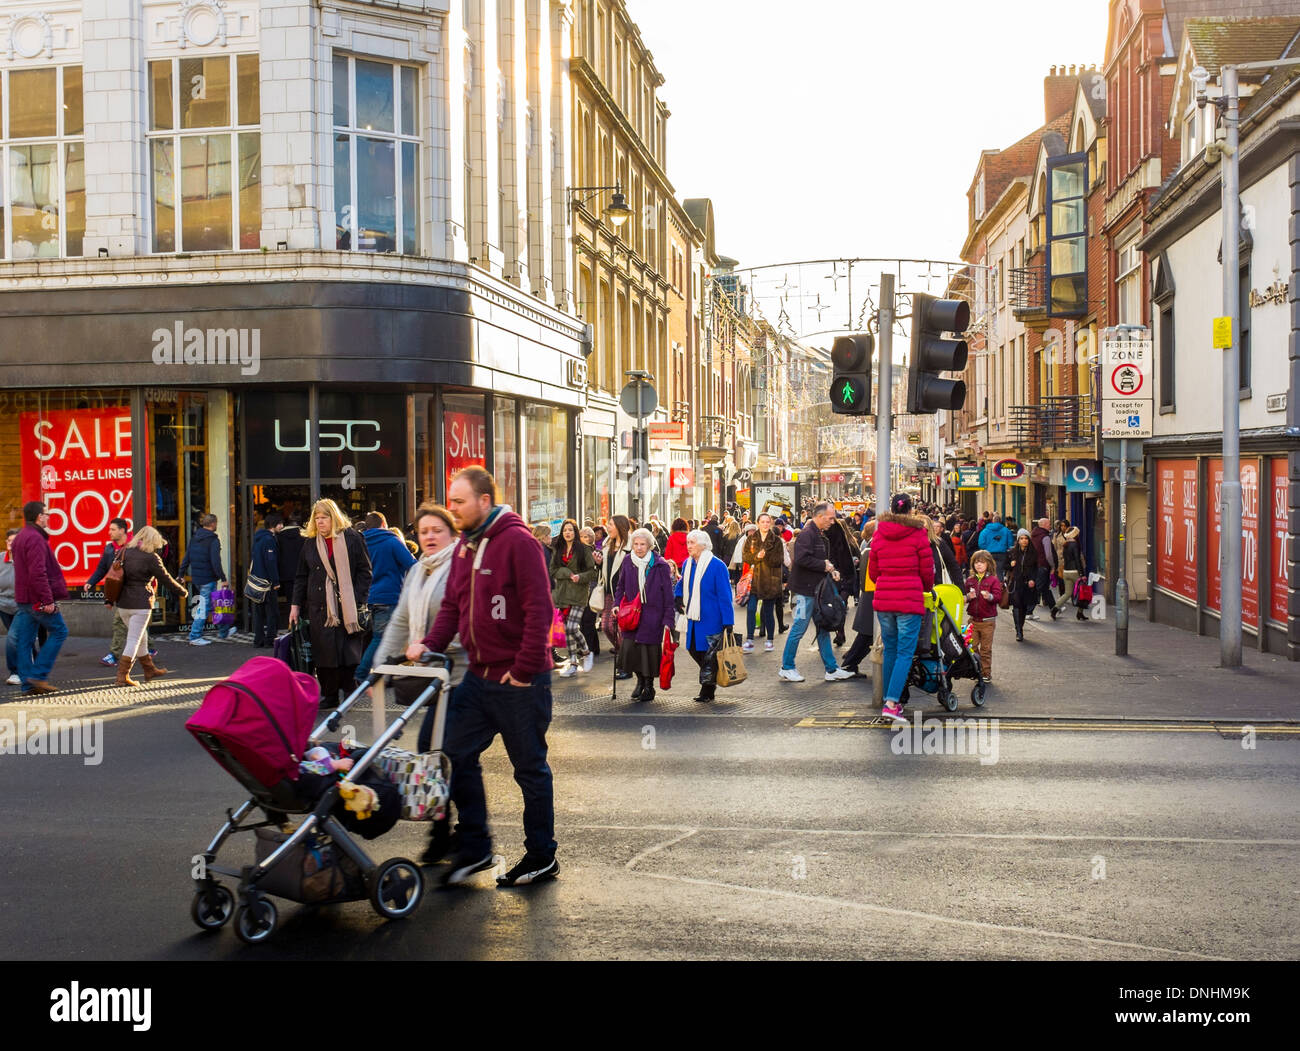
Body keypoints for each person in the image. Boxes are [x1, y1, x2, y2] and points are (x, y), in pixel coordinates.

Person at [406, 466, 559, 888]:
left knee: (529, 769)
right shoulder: (465, 548)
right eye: (451, 501)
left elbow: (538, 610)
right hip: (477, 677)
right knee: (452, 753)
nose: (452, 509)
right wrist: (429, 645)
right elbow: (454, 607)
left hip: (518, 680)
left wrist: (524, 669)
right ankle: (476, 847)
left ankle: (542, 855)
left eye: (459, 502)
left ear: (484, 501)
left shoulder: (517, 542)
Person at [376, 502, 464, 865]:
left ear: (452, 534)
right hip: (431, 674)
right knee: (436, 751)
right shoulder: (417, 572)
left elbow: (463, 616)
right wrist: (380, 666)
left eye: (436, 530)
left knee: (442, 749)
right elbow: (399, 620)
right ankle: (447, 830)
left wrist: (432, 646)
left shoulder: (460, 566)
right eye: (423, 531)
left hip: (462, 672)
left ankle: (450, 833)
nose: (429, 536)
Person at [290, 498, 373, 705]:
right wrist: (295, 605)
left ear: (333, 517)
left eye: (324, 517)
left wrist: (357, 598)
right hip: (320, 608)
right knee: (324, 653)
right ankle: (330, 694)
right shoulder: (310, 543)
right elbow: (301, 576)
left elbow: (365, 571)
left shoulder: (352, 538)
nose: (320, 522)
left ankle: (350, 690)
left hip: (348, 607)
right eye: (316, 518)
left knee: (348, 652)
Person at [868, 493, 934, 724]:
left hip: (885, 600)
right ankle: (891, 703)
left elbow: (873, 573)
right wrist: (924, 587)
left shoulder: (879, 534)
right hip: (909, 599)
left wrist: (886, 582)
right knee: (905, 652)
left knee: (891, 651)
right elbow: (928, 571)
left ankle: (889, 699)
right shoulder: (918, 534)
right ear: (910, 510)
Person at [779, 502, 854, 683]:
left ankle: (831, 669)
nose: (832, 521)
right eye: (830, 518)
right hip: (805, 592)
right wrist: (825, 566)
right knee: (799, 627)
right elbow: (803, 559)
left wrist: (830, 569)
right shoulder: (808, 534)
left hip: (814, 591)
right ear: (820, 517)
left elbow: (817, 559)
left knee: (822, 628)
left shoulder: (816, 533)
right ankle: (787, 667)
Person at [112, 526, 188, 687]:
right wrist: (182, 591)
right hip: (140, 604)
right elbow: (166, 579)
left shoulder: (124, 551)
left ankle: (149, 669)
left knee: (141, 637)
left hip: (123, 604)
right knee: (134, 639)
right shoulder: (151, 558)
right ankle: (122, 676)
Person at [10, 501, 70, 695]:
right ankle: (39, 675)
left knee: (25, 641)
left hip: (25, 598)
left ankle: (28, 684)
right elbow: (37, 573)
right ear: (39, 517)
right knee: (60, 631)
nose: (48, 517)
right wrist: (47, 600)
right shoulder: (35, 538)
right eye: (46, 514)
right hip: (36, 599)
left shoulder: (21, 537)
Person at [613, 527, 675, 703]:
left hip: (653, 615)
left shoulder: (660, 565)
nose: (639, 548)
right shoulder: (627, 561)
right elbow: (620, 586)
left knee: (648, 652)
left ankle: (649, 686)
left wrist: (668, 619)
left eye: (642, 544)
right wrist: (616, 605)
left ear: (649, 546)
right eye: (636, 544)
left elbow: (668, 595)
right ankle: (639, 681)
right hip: (632, 614)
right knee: (631, 650)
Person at [674, 530, 735, 703]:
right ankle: (711, 679)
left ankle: (707, 688)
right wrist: (678, 597)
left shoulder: (717, 565)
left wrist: (728, 621)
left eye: (692, 542)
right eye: (688, 543)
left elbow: (725, 595)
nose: (689, 546)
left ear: (703, 544)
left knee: (708, 655)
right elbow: (682, 582)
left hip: (712, 618)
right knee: (694, 650)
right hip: (693, 618)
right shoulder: (687, 563)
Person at [356, 511, 417, 682]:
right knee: (381, 638)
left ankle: (386, 675)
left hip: (367, 597)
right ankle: (361, 674)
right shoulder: (391, 540)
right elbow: (412, 564)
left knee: (377, 638)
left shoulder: (360, 542)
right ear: (384, 524)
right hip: (388, 596)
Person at [83, 517, 134, 666]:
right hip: (120, 592)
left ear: (122, 530)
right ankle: (148, 649)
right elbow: (102, 568)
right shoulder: (109, 548)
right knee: (134, 624)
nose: (109, 532)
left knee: (120, 622)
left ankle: (114, 655)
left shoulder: (134, 546)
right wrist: (90, 582)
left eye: (113, 529)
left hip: (134, 591)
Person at [550, 519, 596, 678]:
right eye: (565, 530)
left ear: (575, 532)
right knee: (568, 630)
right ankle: (573, 663)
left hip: (578, 594)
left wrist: (579, 576)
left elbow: (592, 572)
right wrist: (567, 573)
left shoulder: (583, 549)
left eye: (570, 530)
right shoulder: (558, 549)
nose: (567, 533)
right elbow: (553, 571)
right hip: (562, 594)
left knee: (571, 627)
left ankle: (586, 652)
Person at [180, 513, 230, 646]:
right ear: (213, 524)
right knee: (204, 606)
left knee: (214, 605)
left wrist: (181, 574)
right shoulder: (213, 540)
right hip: (208, 578)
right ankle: (195, 635)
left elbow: (187, 558)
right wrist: (223, 578)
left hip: (197, 578)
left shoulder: (195, 538)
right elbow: (216, 562)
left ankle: (224, 631)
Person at [839, 519, 878, 677]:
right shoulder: (870, 547)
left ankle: (850, 661)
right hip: (873, 596)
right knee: (867, 635)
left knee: (866, 635)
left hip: (870, 595)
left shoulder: (867, 546)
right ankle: (849, 663)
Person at [741, 513, 783, 653]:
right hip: (754, 580)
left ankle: (770, 640)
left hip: (770, 579)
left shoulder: (776, 540)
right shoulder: (751, 539)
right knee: (751, 609)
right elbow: (746, 556)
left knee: (768, 611)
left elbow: (779, 560)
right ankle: (750, 639)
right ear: (758, 523)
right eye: (763, 522)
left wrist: (766, 557)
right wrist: (757, 557)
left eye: (767, 522)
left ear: (770, 523)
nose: (765, 524)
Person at [599, 515, 632, 680]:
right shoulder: (607, 545)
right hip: (608, 592)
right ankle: (623, 653)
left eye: (610, 524)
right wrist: (598, 563)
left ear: (619, 526)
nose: (607, 527)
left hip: (625, 595)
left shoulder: (630, 547)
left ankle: (625, 663)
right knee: (606, 626)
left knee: (622, 629)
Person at [964, 550, 1003, 684]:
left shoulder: (993, 580)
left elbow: (998, 597)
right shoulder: (970, 580)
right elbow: (964, 596)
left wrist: (990, 596)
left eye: (982, 562)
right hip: (973, 620)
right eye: (976, 562)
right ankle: (977, 669)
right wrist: (967, 597)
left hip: (988, 622)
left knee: (986, 649)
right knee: (971, 647)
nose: (979, 565)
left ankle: (986, 673)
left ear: (988, 564)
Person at [250, 512, 284, 648]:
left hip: (257, 581)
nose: (282, 526)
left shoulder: (258, 538)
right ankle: (270, 639)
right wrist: (275, 581)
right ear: (274, 525)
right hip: (267, 582)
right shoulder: (269, 540)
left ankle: (258, 640)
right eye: (280, 523)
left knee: (259, 612)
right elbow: (271, 562)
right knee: (272, 612)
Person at [825, 512, 859, 646]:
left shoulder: (830, 541)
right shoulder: (851, 542)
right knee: (840, 606)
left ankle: (839, 631)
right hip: (846, 578)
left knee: (835, 606)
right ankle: (840, 631)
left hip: (837, 577)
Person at [1006, 529, 1039, 642]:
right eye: (1021, 538)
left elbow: (1036, 569)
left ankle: (1021, 626)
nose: (1024, 541)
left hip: (1027, 584)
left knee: (1024, 607)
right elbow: (1005, 566)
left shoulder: (1033, 553)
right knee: (1016, 606)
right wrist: (1010, 565)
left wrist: (1033, 579)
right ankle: (1018, 631)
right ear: (1018, 540)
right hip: (1016, 583)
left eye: (1026, 538)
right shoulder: (1012, 552)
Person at [1052, 520, 1087, 620]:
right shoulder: (1075, 545)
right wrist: (1081, 573)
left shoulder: (1065, 545)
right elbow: (1077, 560)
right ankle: (1080, 613)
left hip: (1066, 571)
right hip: (1074, 572)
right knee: (1082, 592)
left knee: (1067, 593)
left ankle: (1054, 609)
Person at [578, 525, 602, 656]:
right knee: (587, 621)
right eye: (581, 536)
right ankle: (592, 647)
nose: (582, 538)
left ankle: (590, 649)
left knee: (587, 620)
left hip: (590, 589)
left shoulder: (591, 552)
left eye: (585, 536)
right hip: (584, 589)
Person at [1031, 517, 1057, 619]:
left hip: (1036, 565)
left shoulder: (1034, 535)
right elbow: (1048, 555)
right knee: (1039, 588)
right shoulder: (1045, 537)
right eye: (1049, 524)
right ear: (1045, 525)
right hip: (1043, 565)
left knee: (1045, 588)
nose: (1050, 526)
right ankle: (1029, 611)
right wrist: (1052, 565)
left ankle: (1054, 608)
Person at [977, 514, 1013, 580]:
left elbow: (981, 544)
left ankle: (990, 585)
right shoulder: (1006, 531)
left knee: (989, 571)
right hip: (1002, 553)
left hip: (989, 553)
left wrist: (986, 548)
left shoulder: (985, 531)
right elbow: (1010, 544)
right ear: (1000, 521)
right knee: (999, 570)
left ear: (992, 521)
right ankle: (999, 585)